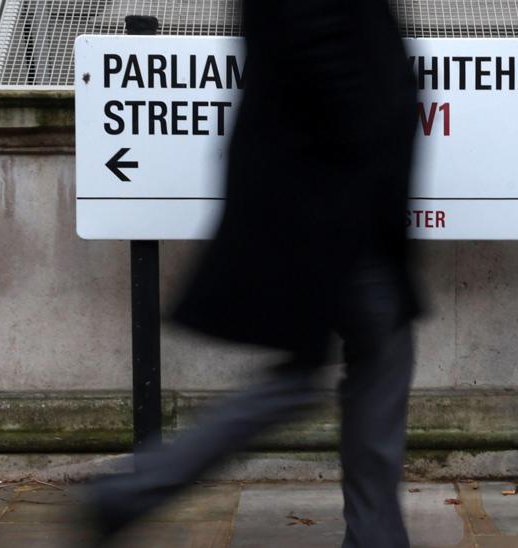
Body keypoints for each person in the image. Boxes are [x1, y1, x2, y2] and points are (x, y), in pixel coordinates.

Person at [83, 0, 420, 545]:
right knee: (341, 369)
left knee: (341, 368)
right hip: (336, 209)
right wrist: (369, 171)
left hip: (334, 205)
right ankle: (131, 490)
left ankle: (374, 534)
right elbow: (330, 67)